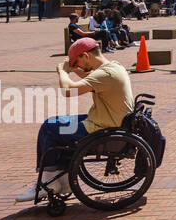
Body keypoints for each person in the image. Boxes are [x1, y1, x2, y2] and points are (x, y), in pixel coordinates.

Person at [16, 37, 135, 202]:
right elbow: (88, 75)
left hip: (101, 127)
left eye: (78, 61)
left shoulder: (105, 74)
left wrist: (63, 72)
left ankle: (48, 181)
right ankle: (62, 180)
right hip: (108, 120)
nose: (77, 66)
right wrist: (73, 68)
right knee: (55, 121)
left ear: (86, 55)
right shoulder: (113, 66)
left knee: (49, 128)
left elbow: (68, 91)